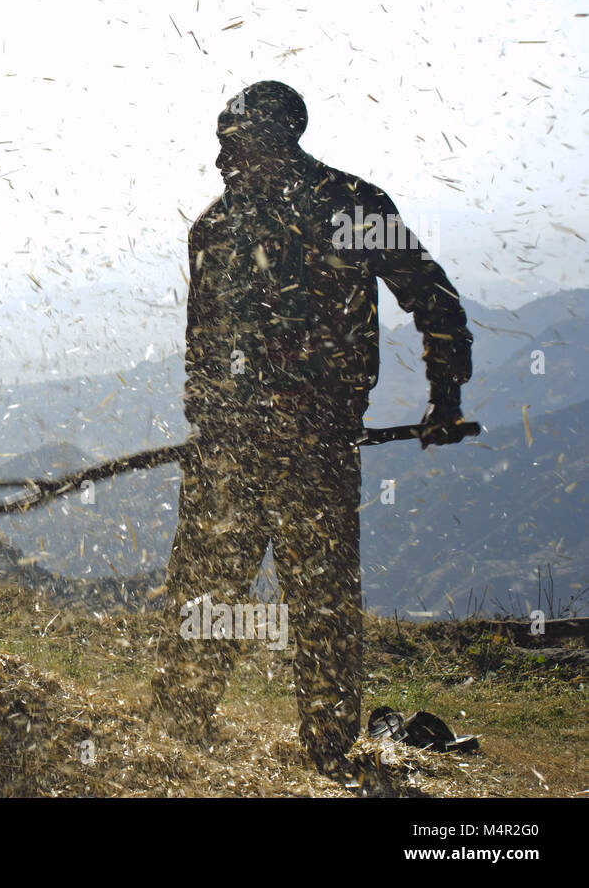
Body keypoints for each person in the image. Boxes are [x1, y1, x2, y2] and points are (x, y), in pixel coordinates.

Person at [149, 81, 474, 774]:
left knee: (321, 606)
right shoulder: (214, 229)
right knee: (206, 596)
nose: (219, 164)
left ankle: (329, 754)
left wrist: (445, 395)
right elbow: (201, 350)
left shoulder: (355, 208)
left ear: (275, 143)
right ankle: (175, 736)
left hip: (315, 450)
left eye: (231, 148)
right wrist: (206, 428)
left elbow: (430, 295)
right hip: (228, 453)